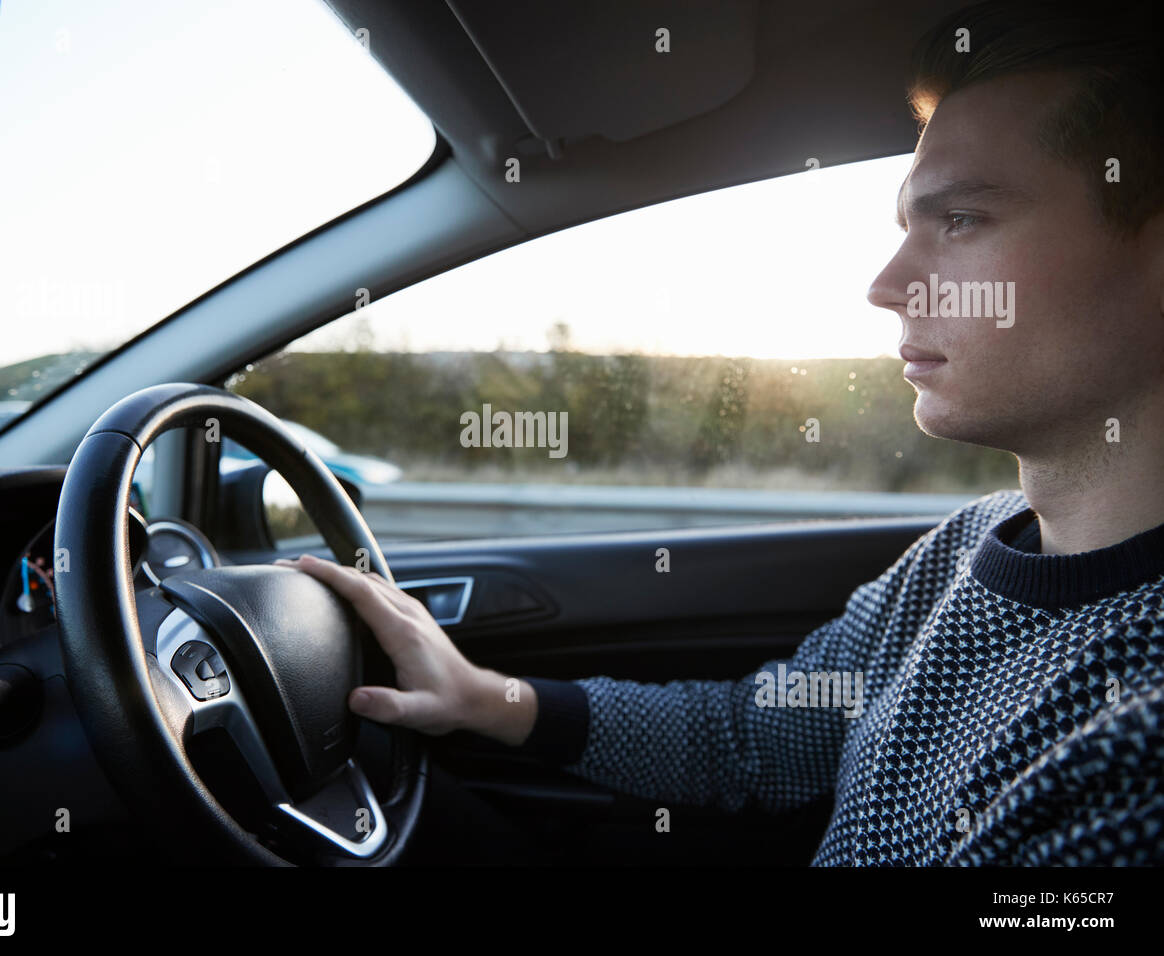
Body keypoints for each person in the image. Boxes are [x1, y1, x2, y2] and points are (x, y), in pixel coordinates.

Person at [282, 0, 1164, 865]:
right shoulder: (961, 553)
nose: (887, 283)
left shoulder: (1139, 748)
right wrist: (488, 697)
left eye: (963, 219)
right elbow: (756, 736)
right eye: (908, 225)